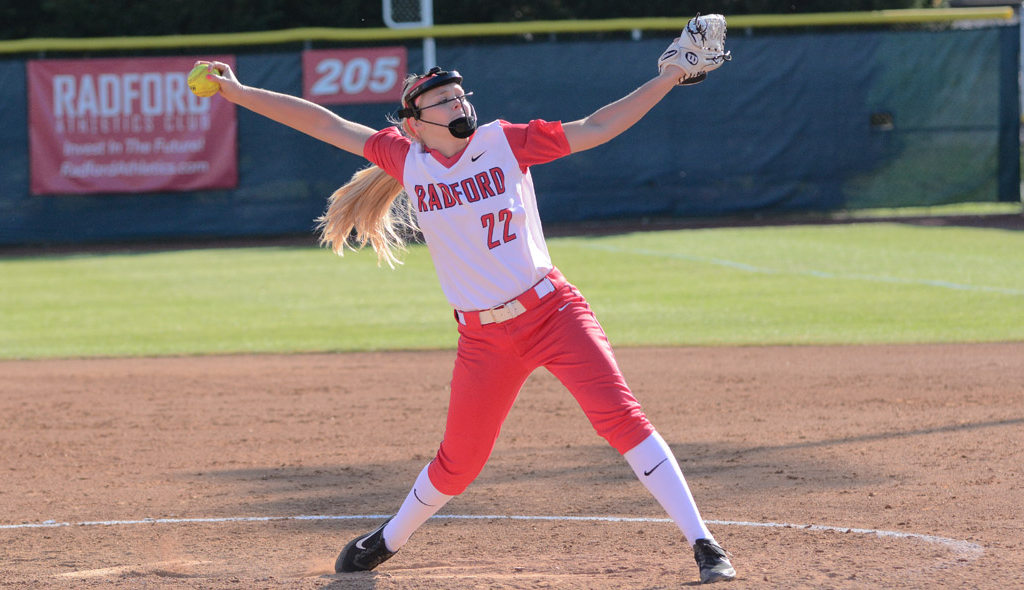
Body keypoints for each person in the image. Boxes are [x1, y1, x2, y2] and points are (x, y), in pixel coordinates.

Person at [201, 14, 735, 584]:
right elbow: (320, 121)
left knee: (621, 419)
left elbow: (597, 126)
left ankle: (704, 543)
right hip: (484, 339)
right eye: (440, 99)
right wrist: (237, 92)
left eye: (458, 94)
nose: (456, 102)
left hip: (553, 311)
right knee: (460, 462)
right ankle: (386, 540)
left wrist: (671, 75)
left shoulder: (504, 141)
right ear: (413, 123)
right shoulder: (406, 161)